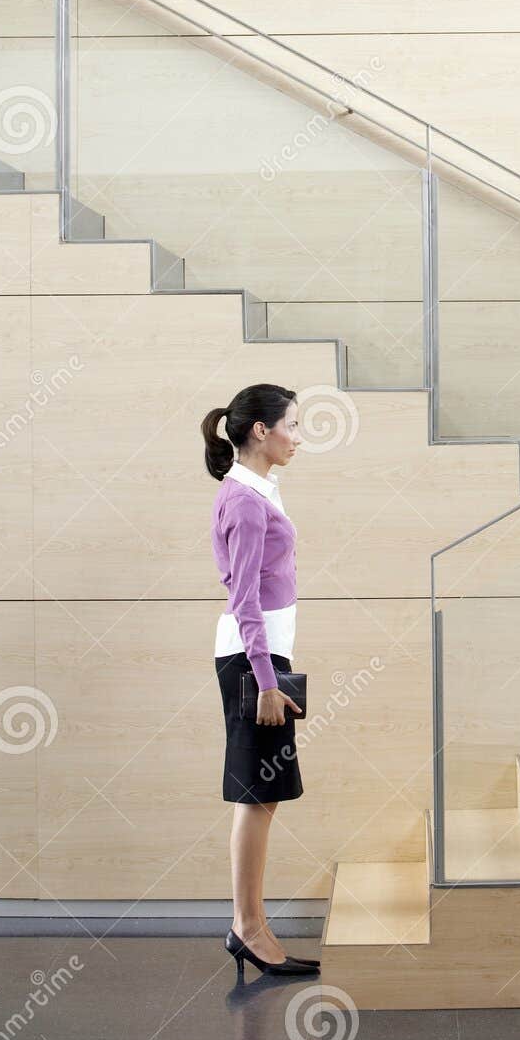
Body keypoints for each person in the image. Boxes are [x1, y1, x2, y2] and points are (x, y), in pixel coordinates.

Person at [200, 382, 318, 979]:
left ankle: (250, 924)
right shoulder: (246, 501)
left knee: (264, 793)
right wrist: (268, 681)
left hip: (262, 656)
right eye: (291, 425)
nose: (297, 437)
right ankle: (247, 928)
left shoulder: (257, 489)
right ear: (260, 431)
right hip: (254, 661)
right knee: (257, 795)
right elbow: (243, 599)